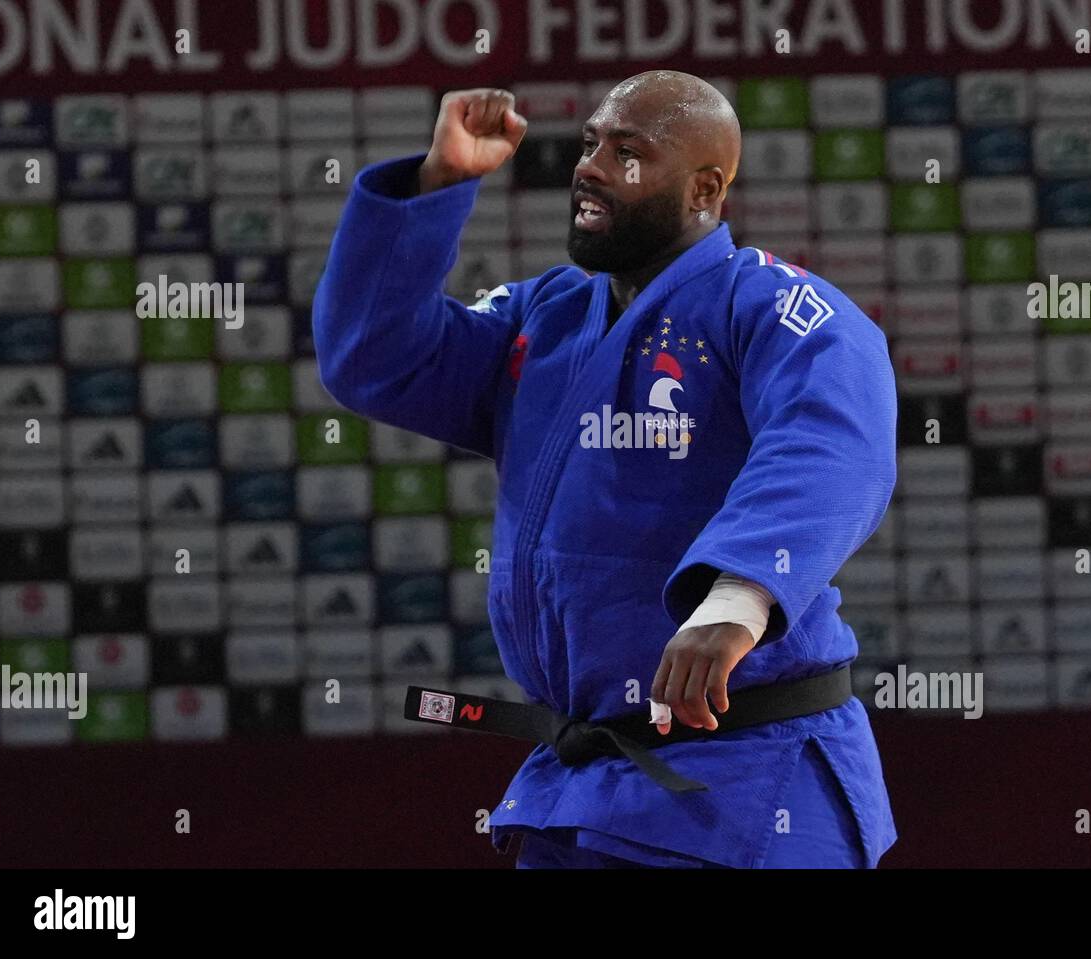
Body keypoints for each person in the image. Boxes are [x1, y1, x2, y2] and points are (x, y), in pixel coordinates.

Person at [313, 71, 898, 869]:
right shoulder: (545, 316)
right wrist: (437, 185)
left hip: (749, 781)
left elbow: (830, 441)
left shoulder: (772, 307)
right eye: (590, 144)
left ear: (705, 188)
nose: (589, 165)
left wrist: (737, 595)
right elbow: (373, 361)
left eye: (628, 153)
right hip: (586, 783)